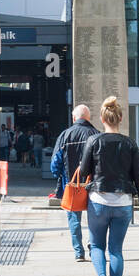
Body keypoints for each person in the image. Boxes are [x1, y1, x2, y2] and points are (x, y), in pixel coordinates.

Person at [78, 96, 139, 276]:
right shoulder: (130, 144)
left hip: (98, 200)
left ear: (102, 118)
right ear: (120, 118)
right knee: (116, 250)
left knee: (97, 245)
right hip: (123, 203)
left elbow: (83, 172)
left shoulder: (94, 141)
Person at [51, 104, 99, 261]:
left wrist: (60, 175)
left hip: (71, 185)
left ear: (74, 118)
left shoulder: (65, 135)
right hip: (93, 186)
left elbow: (55, 164)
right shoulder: (96, 134)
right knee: (95, 219)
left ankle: (79, 252)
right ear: (88, 117)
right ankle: (94, 248)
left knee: (74, 219)